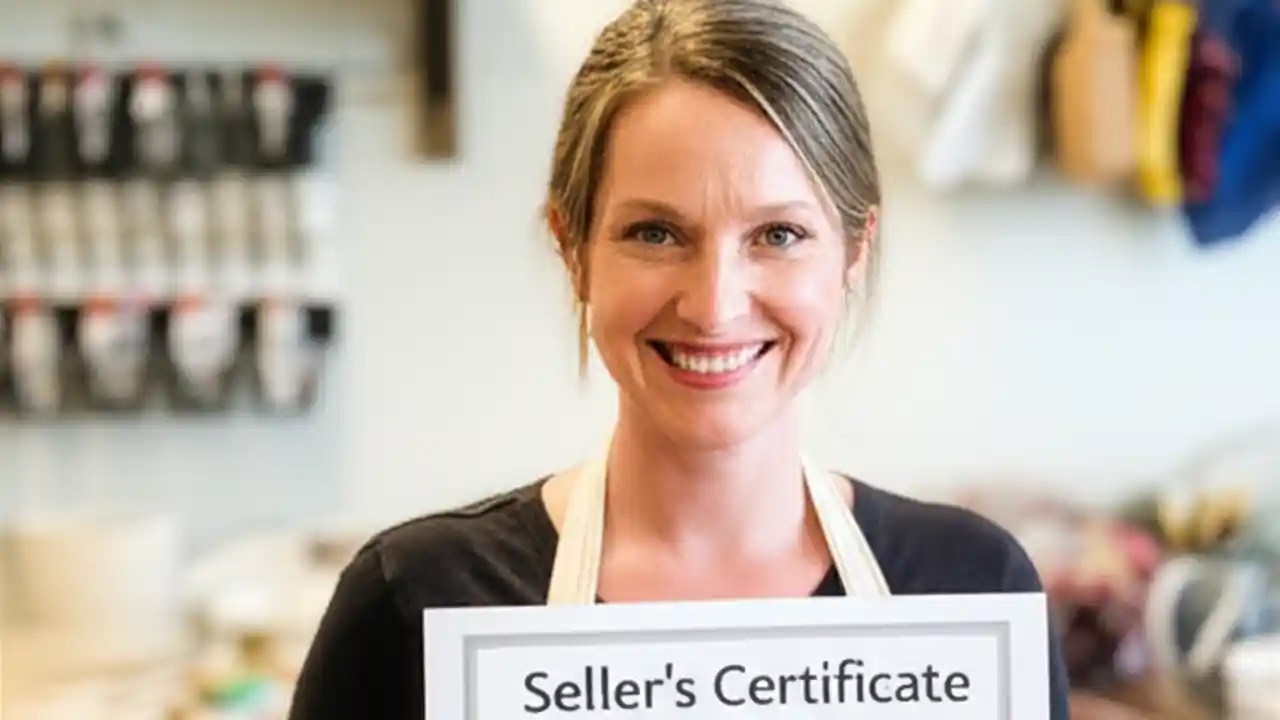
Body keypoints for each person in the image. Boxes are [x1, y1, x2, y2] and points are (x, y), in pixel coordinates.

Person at [287, 0, 1071, 717]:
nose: (714, 305)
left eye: (778, 235)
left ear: (852, 254)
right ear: (573, 249)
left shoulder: (967, 591)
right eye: (656, 233)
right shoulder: (418, 603)